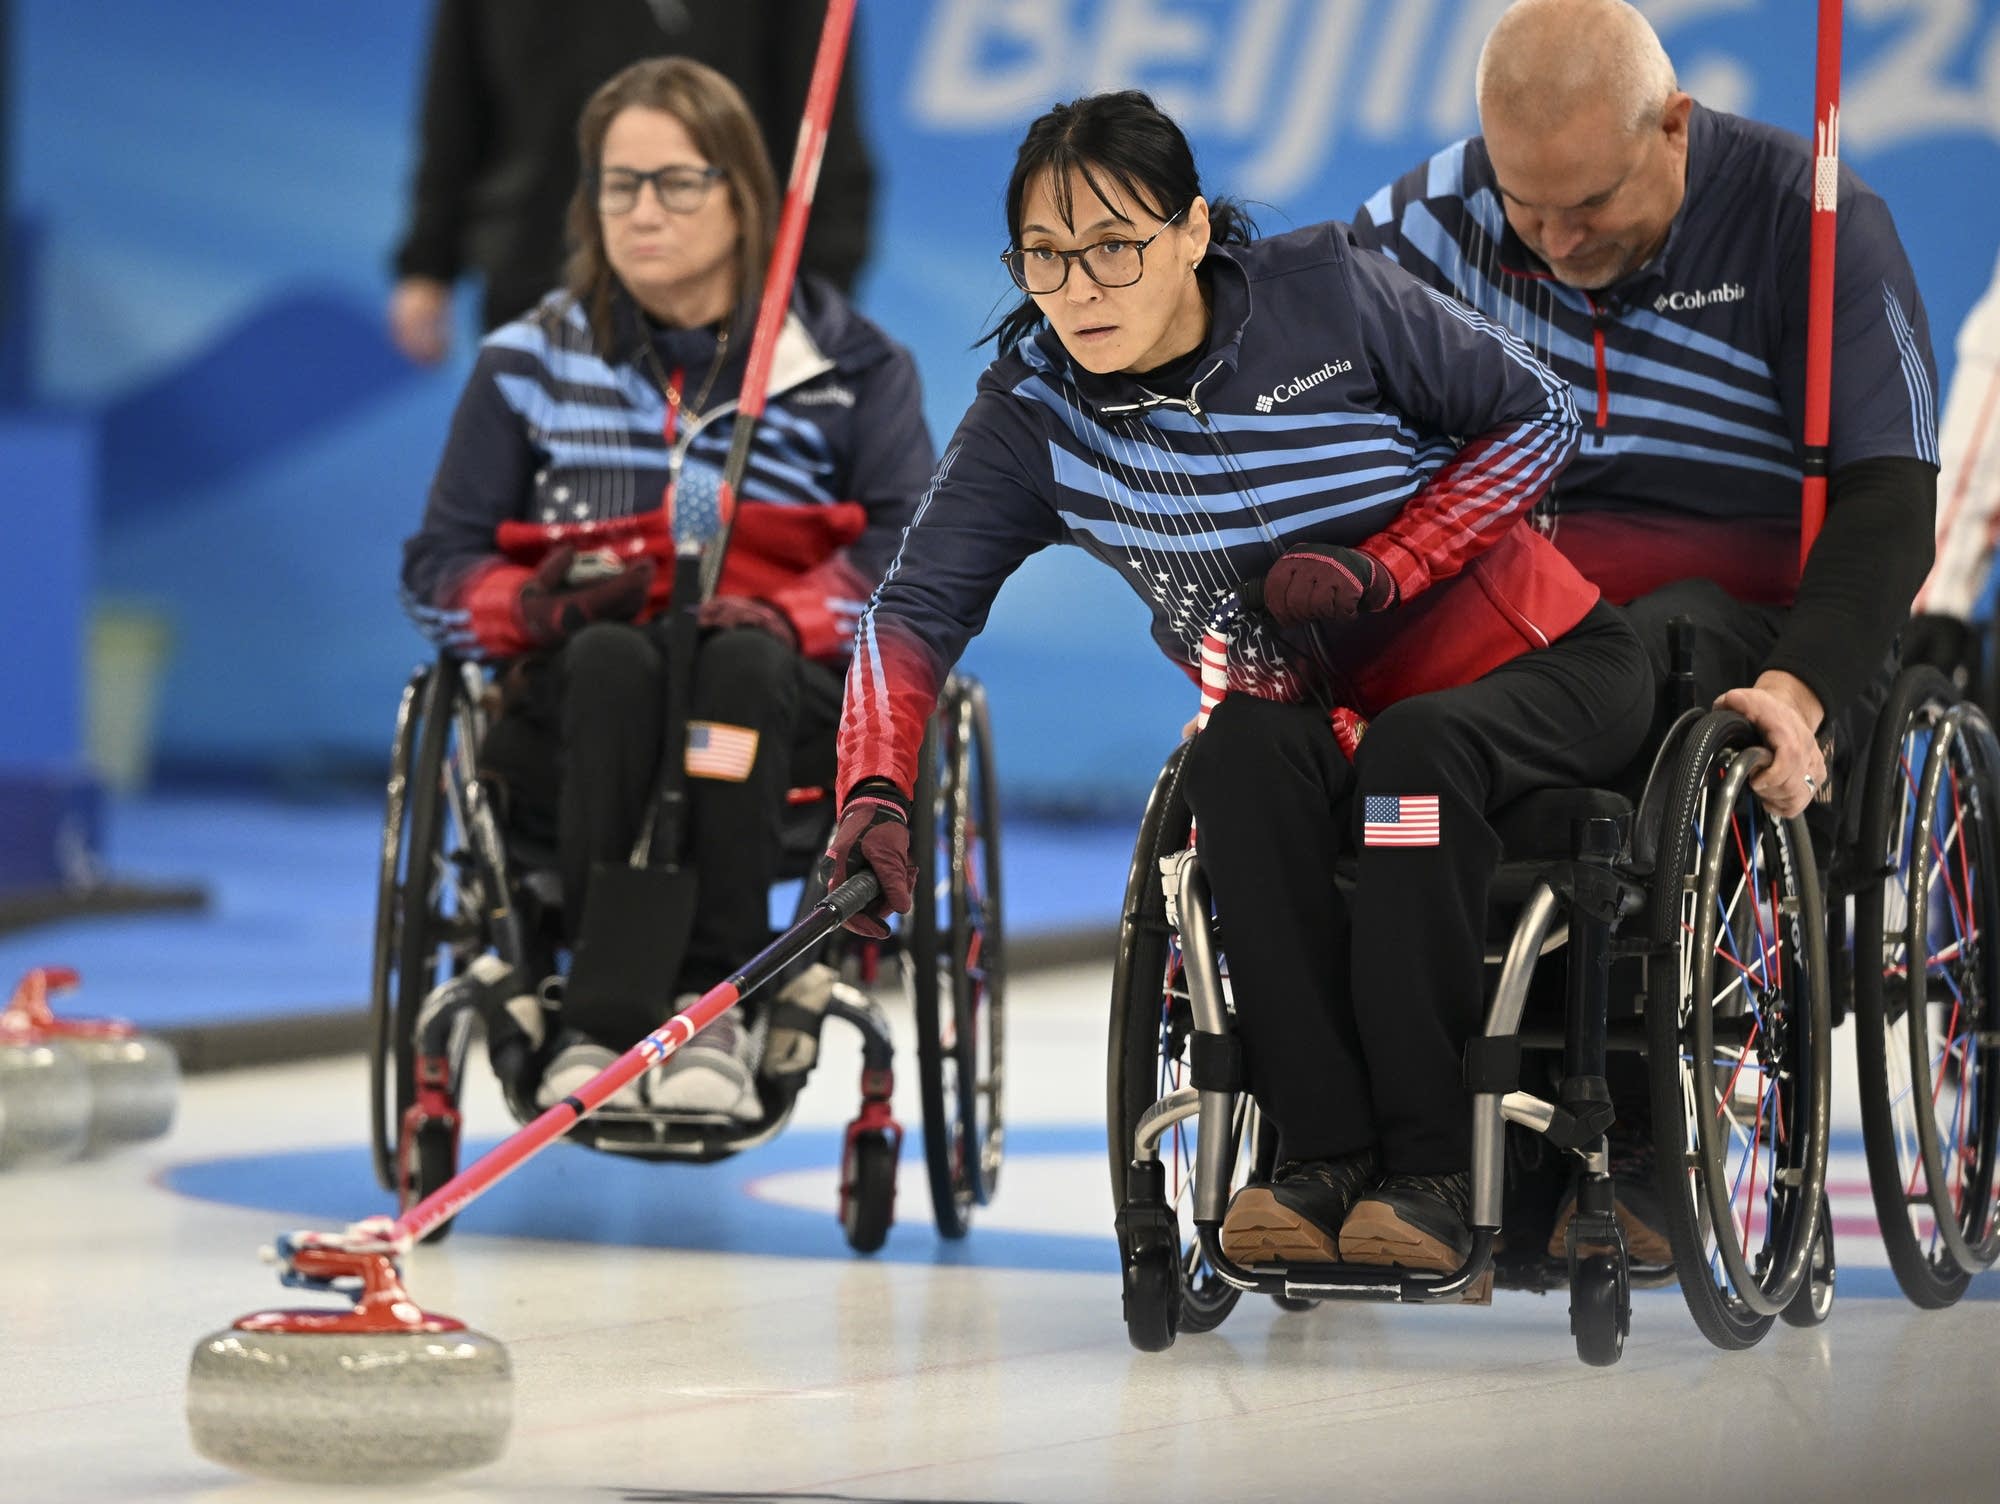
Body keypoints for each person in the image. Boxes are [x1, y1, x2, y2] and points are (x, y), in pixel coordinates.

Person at [822, 90, 1655, 1275]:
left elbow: (1537, 415)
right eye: (1046, 259)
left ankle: (1426, 1168)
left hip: (1542, 667)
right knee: (1236, 759)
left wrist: (1386, 566)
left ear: (1191, 231)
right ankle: (1315, 1156)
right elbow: (909, 613)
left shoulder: (1328, 294)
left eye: (1113, 246)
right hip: (1320, 721)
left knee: (1416, 755)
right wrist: (873, 787)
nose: (1079, 290)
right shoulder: (1030, 419)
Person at [1350, 0, 1941, 1259]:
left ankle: (1635, 1145)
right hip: (1520, 611)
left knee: (1660, 666)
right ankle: (1427, 1149)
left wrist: (1798, 689)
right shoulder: (1415, 231)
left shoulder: (1813, 222)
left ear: (1672, 126)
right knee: (1409, 739)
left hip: (1746, 616)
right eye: (1524, 206)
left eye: (1590, 205)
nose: (1556, 243)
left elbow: (1891, 502)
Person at [402, 57, 932, 1118]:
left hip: (772, 703)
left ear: (742, 192)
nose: (643, 212)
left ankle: (714, 1001)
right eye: (617, 184)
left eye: (677, 183)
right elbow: (438, 570)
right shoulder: (525, 361)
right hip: (576, 705)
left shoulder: (851, 364)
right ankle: (599, 1014)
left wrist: (788, 610)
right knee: (607, 661)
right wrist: (526, 606)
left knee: (733, 664)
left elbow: (914, 562)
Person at [389, 0, 876, 363]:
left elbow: (824, 138)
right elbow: (455, 105)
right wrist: (427, 265)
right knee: (534, 494)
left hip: (726, 310)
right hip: (534, 274)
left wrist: (820, 295)